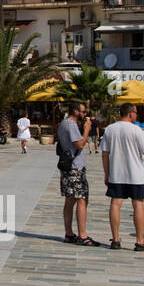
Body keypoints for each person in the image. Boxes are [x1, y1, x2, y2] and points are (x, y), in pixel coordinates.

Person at [101, 102, 144, 250]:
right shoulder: (136, 130)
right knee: (138, 204)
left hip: (117, 173)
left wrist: (107, 173)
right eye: (136, 112)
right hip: (135, 174)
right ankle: (140, 241)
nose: (136, 115)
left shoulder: (110, 129)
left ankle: (116, 239)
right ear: (131, 113)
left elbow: (105, 154)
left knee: (115, 204)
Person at [58, 103, 98, 246]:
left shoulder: (63, 123)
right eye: (82, 111)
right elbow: (80, 144)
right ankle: (82, 235)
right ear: (75, 111)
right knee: (81, 199)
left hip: (68, 166)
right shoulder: (71, 124)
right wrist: (87, 129)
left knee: (70, 200)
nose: (85, 113)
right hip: (75, 167)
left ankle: (69, 234)